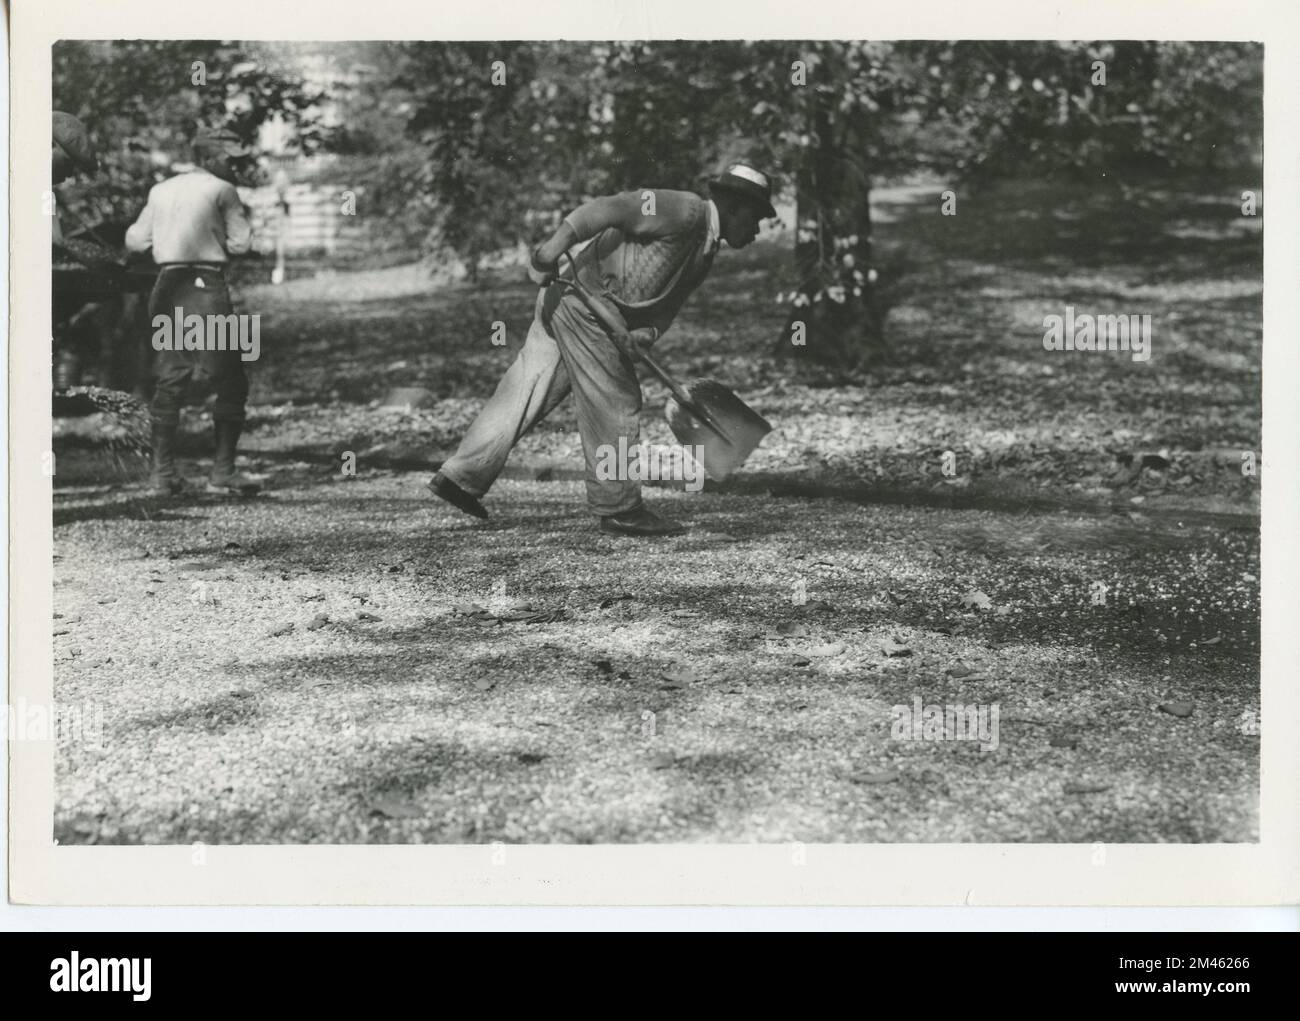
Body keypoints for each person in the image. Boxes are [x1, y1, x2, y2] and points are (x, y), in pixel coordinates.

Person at [430, 162, 777, 536]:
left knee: (525, 390)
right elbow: (610, 208)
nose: (756, 231)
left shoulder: (704, 249)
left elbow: (668, 305)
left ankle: (459, 477)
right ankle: (620, 508)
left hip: (571, 304)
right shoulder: (684, 210)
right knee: (616, 401)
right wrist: (549, 251)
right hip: (583, 304)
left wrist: (647, 333)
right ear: (736, 207)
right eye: (756, 220)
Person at [125, 128, 258, 496]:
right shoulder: (222, 189)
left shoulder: (161, 190)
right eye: (231, 158)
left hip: (167, 287)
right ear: (212, 159)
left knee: (170, 378)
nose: (235, 165)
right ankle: (222, 474)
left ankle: (161, 476)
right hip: (206, 286)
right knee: (231, 379)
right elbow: (242, 243)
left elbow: (135, 240)